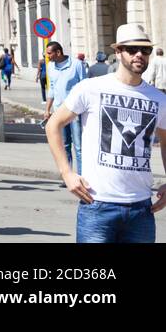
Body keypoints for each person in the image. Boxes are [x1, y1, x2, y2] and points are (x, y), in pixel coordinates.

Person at [45, 24, 166, 243]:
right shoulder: (90, 88)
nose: (140, 54)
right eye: (132, 49)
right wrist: (67, 173)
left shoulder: (158, 99)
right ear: (118, 52)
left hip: (141, 208)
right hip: (97, 205)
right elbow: (53, 125)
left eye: (145, 50)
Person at [44, 41, 88, 173]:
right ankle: (68, 176)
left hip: (75, 112)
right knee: (64, 145)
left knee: (79, 147)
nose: (47, 56)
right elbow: (52, 89)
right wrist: (47, 109)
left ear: (58, 52)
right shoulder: (50, 67)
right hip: (59, 112)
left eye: (49, 53)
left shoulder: (76, 64)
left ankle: (82, 176)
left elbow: (85, 86)